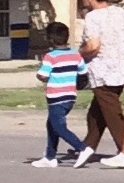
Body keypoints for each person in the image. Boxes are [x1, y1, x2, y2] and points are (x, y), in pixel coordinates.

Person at [74, 0, 124, 169]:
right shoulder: (120, 12)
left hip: (102, 71)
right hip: (119, 68)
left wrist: (79, 53)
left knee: (112, 114)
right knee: (96, 114)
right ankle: (88, 146)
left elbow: (93, 45)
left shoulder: (93, 17)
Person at [32, 20, 86, 166]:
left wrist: (39, 75)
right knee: (51, 124)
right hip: (70, 96)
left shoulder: (51, 56)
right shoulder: (75, 54)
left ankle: (81, 147)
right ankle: (50, 156)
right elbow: (83, 72)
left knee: (58, 127)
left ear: (50, 39)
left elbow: (43, 75)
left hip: (56, 97)